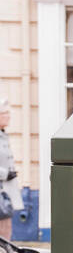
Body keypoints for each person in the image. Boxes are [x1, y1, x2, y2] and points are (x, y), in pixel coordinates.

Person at [0, 97, 23, 242]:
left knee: (6, 228)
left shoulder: (3, 135)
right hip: (2, 191)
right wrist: (5, 174)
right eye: (4, 113)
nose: (8, 117)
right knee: (3, 230)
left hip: (6, 191)